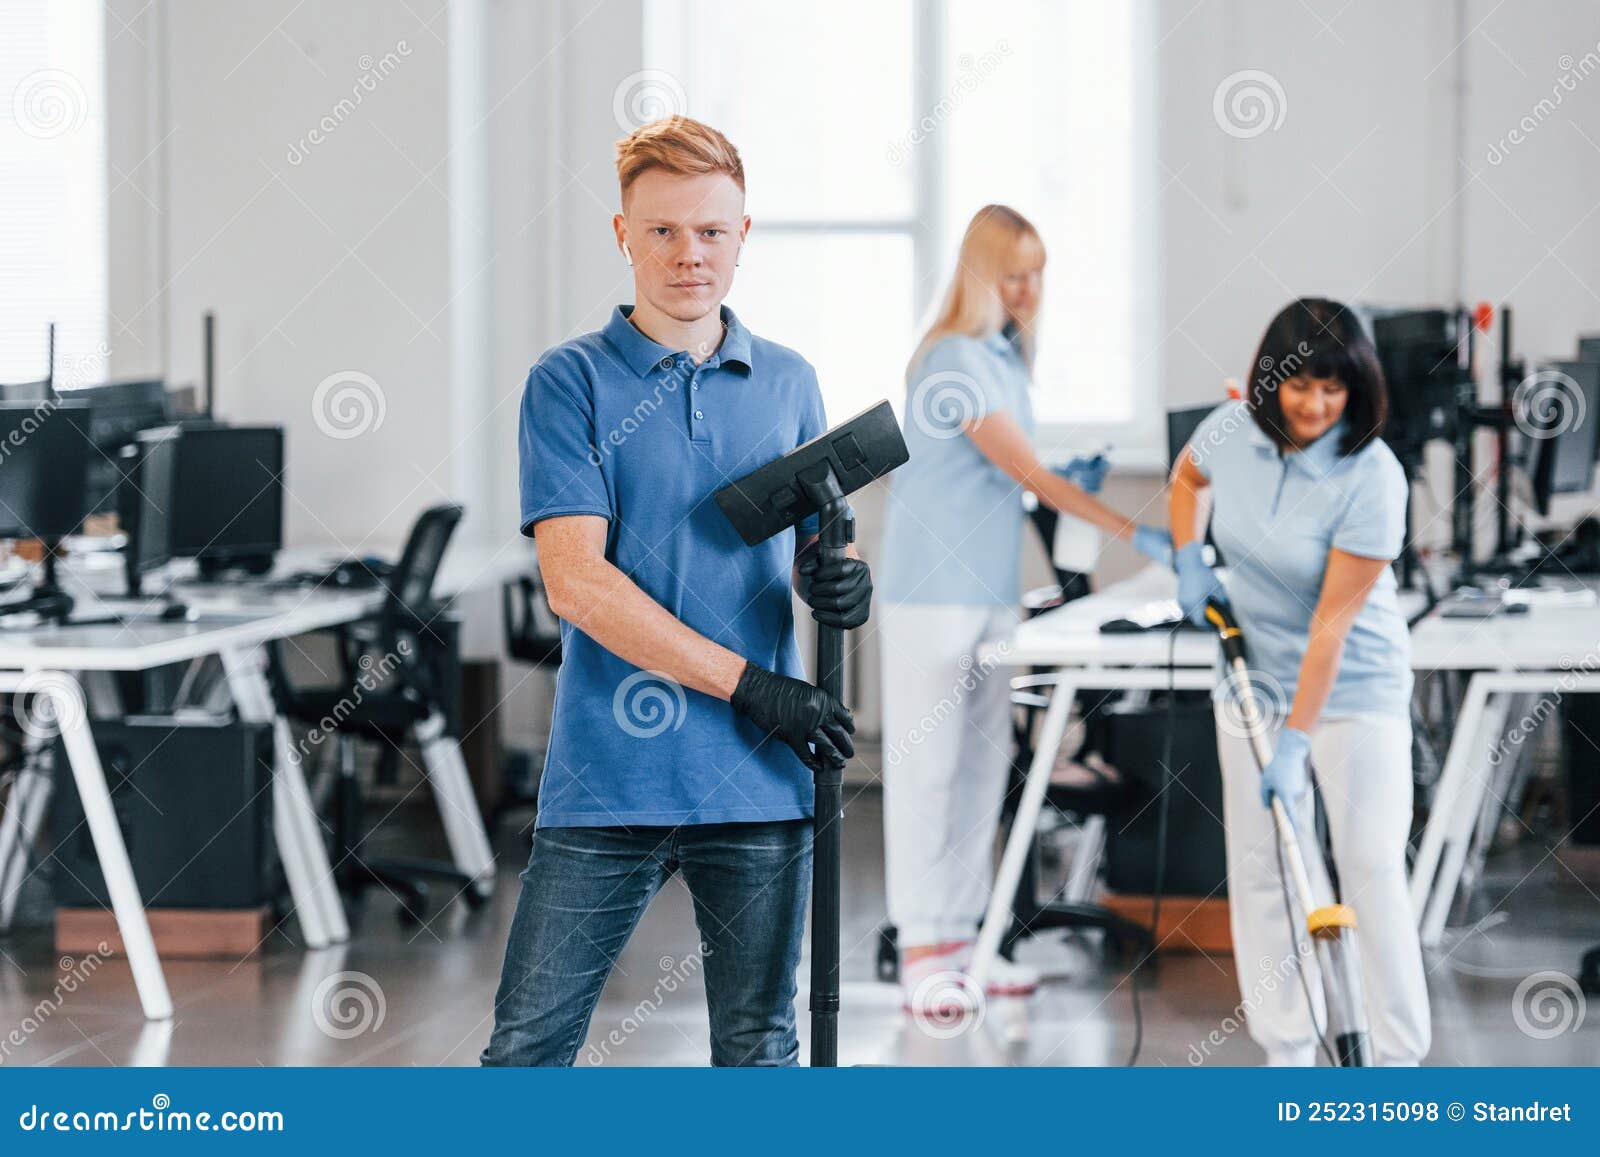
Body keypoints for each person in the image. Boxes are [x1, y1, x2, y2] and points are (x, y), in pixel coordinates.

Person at [481, 116, 871, 1067]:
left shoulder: (790, 384)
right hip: (608, 776)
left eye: (710, 231)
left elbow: (818, 552)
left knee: (757, 1046)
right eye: (662, 231)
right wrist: (752, 685)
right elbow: (578, 585)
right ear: (623, 236)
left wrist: (841, 583)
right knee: (526, 1051)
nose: (688, 254)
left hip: (759, 778)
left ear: (743, 237)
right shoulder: (568, 382)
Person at [876, 204, 1171, 1014]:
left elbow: (1017, 473)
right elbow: (1028, 474)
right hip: (929, 594)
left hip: (987, 588)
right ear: (980, 276)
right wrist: (1143, 534)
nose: (1030, 289)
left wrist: (1063, 473)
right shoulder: (951, 359)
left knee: (978, 775)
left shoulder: (1006, 361)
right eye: (1013, 274)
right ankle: (920, 947)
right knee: (927, 775)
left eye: (1038, 272)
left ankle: (971, 939)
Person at [1169, 297, 1431, 1066]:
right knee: (1264, 870)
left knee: (1371, 865)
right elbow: (1188, 478)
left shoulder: (1372, 475)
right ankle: (1288, 1045)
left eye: (1335, 388)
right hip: (1252, 682)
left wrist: (1296, 744)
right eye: (1301, 386)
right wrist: (1189, 555)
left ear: (1358, 389)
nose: (1317, 404)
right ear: (1270, 382)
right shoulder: (1232, 430)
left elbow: (1331, 629)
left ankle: (1392, 1058)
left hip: (1355, 690)